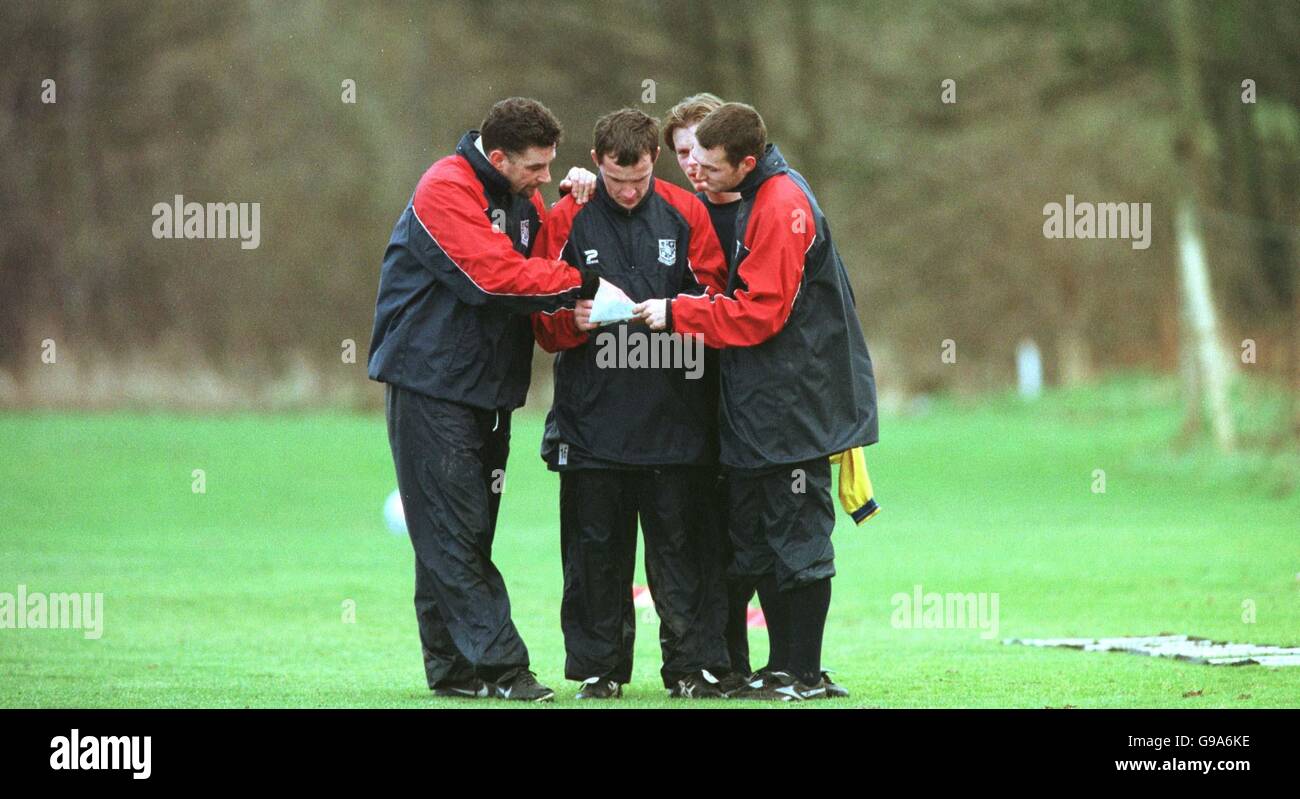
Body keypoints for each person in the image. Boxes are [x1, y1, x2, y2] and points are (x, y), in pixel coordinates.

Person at [634, 102, 879, 701]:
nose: (700, 175)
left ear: (745, 161)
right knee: (764, 539)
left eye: (712, 167)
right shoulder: (758, 194)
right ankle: (785, 669)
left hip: (798, 404)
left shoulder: (780, 206)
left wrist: (677, 314)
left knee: (798, 538)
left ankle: (801, 672)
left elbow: (763, 313)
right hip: (770, 406)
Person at [367, 97, 602, 702]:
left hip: (488, 390)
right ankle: (503, 668)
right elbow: (492, 276)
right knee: (452, 531)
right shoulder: (444, 189)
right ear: (497, 157)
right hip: (430, 385)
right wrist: (585, 282)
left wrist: (572, 204)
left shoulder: (521, 199)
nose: (544, 177)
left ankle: (452, 671)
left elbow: (538, 258)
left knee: (461, 536)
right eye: (536, 167)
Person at [531, 108, 732, 699]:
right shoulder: (566, 214)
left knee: (681, 553)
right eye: (616, 180)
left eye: (639, 180)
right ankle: (599, 672)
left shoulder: (685, 211)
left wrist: (680, 313)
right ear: (596, 163)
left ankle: (691, 670)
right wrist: (573, 320)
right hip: (590, 424)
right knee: (594, 557)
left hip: (675, 419)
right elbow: (540, 319)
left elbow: (716, 296)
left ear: (655, 164)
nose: (626, 191)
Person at [660, 93, 752, 695]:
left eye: (698, 150)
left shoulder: (766, 210)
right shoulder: (675, 217)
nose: (690, 164)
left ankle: (741, 660)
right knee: (698, 538)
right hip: (693, 403)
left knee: (745, 539)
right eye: (680, 154)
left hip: (751, 401)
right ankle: (715, 661)